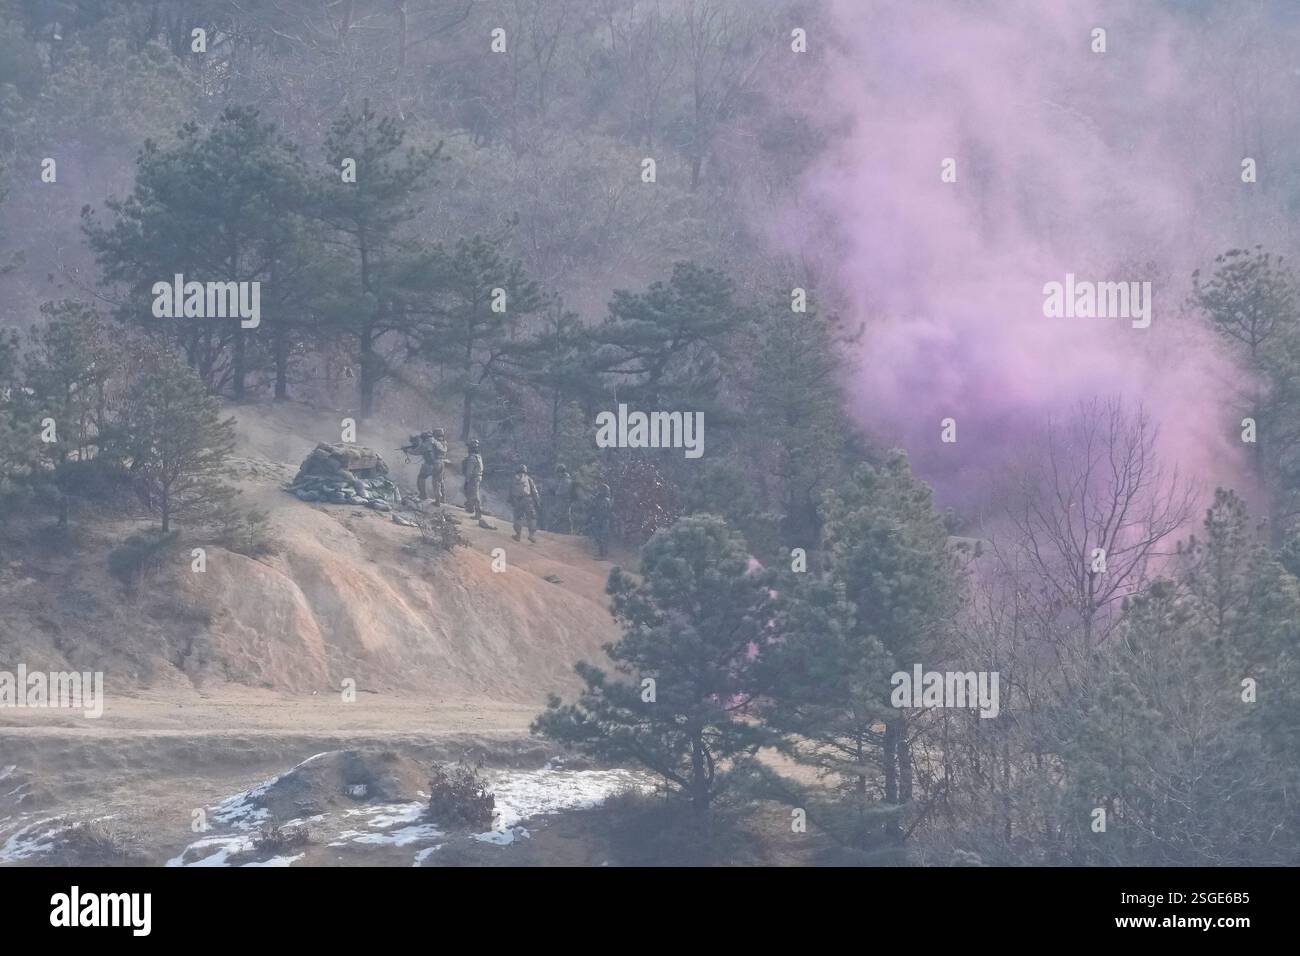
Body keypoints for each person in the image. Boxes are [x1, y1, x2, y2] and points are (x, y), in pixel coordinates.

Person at [462, 439, 491, 528]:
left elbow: (469, 472)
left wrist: (466, 481)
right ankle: (471, 509)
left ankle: (478, 514)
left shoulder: (472, 458)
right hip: (478, 477)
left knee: (475, 495)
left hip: (473, 478)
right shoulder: (478, 456)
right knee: (473, 494)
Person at [415, 428, 449, 504]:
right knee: (440, 481)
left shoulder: (430, 441)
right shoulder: (443, 443)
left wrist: (408, 451)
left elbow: (417, 451)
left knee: (421, 477)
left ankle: (424, 495)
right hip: (441, 463)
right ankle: (442, 499)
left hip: (432, 464)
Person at [509, 464, 541, 543]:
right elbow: (534, 491)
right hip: (528, 500)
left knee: (518, 518)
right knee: (532, 517)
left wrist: (511, 501)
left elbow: (510, 491)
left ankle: (518, 535)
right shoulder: (529, 479)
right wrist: (537, 501)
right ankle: (531, 535)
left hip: (518, 501)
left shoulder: (514, 479)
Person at [547, 464, 580, 534]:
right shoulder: (565, 479)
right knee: (565, 517)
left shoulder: (566, 480)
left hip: (564, 501)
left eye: (558, 473)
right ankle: (568, 531)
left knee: (555, 514)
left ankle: (553, 530)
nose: (557, 475)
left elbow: (561, 492)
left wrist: (554, 492)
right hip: (565, 501)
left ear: (560, 472)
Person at [589, 482, 613, 558]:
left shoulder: (606, 500)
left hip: (603, 521)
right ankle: (601, 553)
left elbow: (604, 512)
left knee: (602, 537)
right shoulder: (599, 499)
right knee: (598, 537)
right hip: (599, 520)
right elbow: (594, 509)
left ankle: (603, 555)